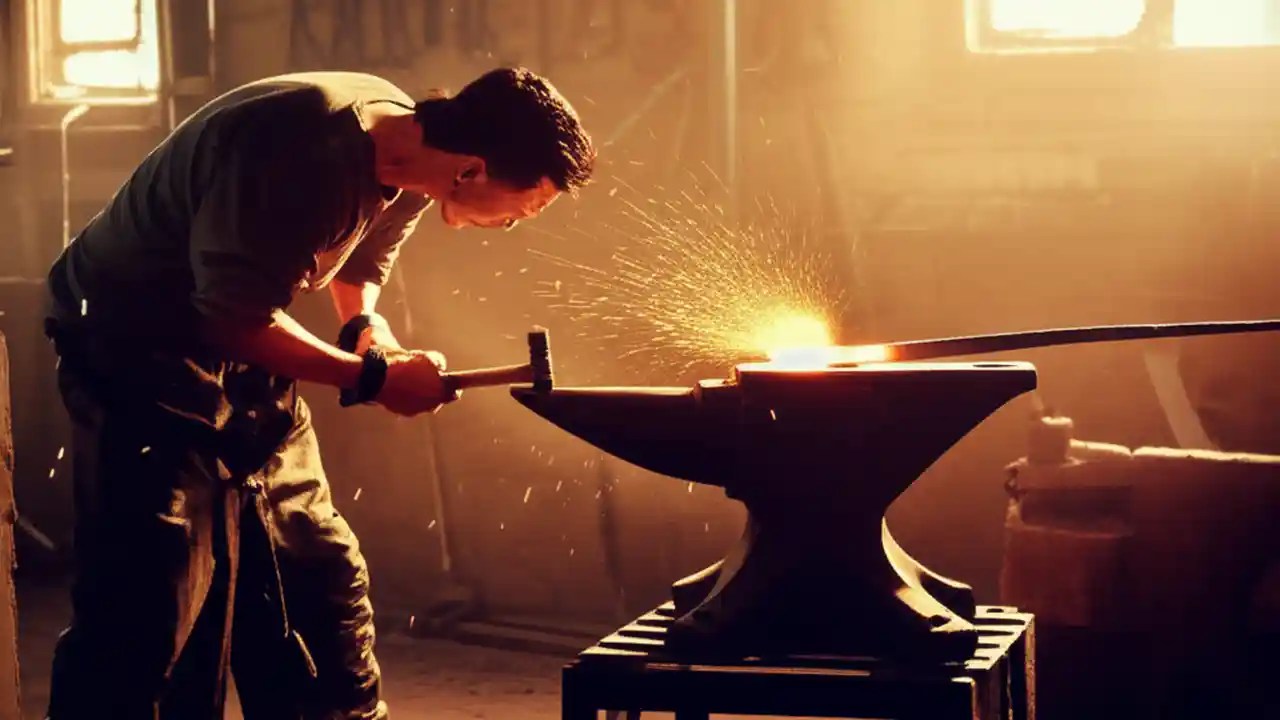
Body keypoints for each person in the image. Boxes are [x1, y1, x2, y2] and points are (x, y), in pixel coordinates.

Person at [42, 67, 595, 719]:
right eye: (521, 210)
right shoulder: (301, 155)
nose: (509, 227)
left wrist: (371, 336)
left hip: (232, 344)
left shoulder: (414, 155)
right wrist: (374, 380)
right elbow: (232, 318)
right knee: (153, 595)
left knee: (317, 572)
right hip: (131, 341)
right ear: (472, 170)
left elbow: (360, 265)